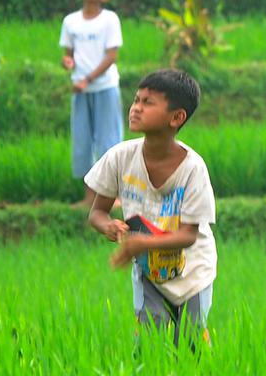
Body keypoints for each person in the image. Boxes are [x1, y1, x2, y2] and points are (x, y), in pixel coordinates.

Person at [85, 69, 216, 347]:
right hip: (149, 272)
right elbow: (96, 213)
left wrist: (140, 243)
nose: (136, 108)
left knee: (191, 344)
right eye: (136, 100)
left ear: (176, 117)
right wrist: (107, 225)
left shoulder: (193, 168)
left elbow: (189, 235)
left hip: (192, 270)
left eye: (148, 102)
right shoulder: (120, 157)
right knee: (149, 342)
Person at [61, 0, 124, 208]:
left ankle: (114, 197)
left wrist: (88, 78)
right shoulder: (70, 21)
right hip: (80, 90)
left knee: (109, 142)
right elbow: (68, 55)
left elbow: (111, 56)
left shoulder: (109, 20)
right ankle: (89, 197)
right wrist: (68, 64)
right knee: (83, 143)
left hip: (104, 87)